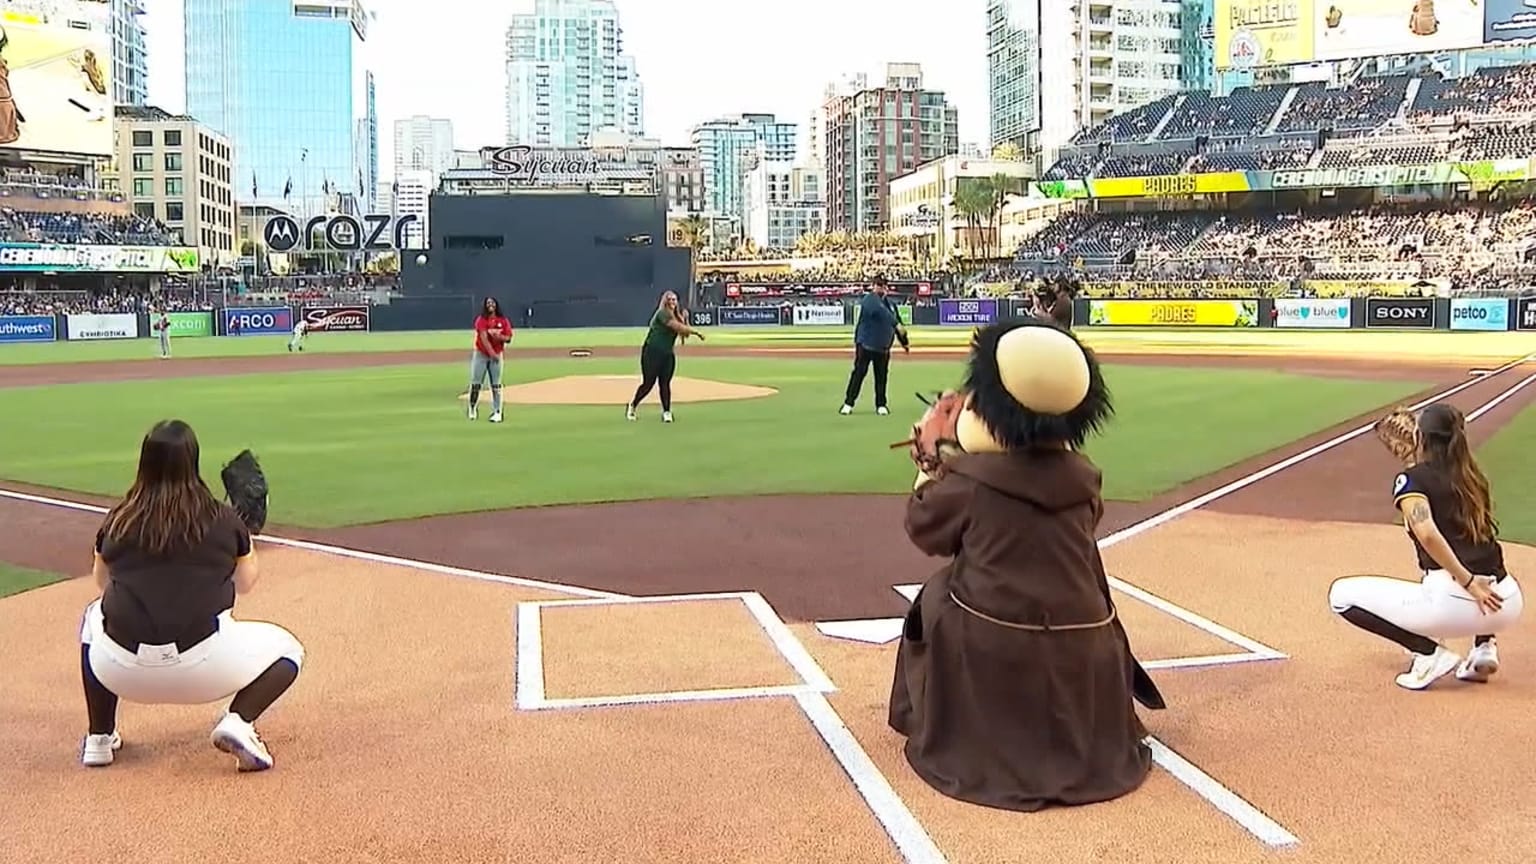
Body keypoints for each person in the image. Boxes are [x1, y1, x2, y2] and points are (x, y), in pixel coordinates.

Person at [888, 318, 1164, 812]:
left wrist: (931, 458)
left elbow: (923, 529)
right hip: (1088, 641)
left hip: (995, 642)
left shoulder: (970, 480)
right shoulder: (1085, 478)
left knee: (934, 596)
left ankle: (941, 722)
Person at [78, 420, 304, 772]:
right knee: (290, 649)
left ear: (144, 462)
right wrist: (246, 535)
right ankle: (238, 722)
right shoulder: (223, 519)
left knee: (93, 618)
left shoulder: (117, 519)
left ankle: (99, 737)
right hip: (205, 670)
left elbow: (101, 581)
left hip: (120, 670)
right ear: (193, 462)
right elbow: (246, 583)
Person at [1328, 403, 1523, 690]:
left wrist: (1468, 583)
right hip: (1505, 602)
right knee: (1477, 550)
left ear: (1423, 437)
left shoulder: (1411, 480)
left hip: (1454, 605)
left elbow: (1428, 533)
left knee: (1341, 595)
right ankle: (1484, 646)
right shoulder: (1473, 477)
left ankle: (1428, 653)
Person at [627, 290, 704, 423]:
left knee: (665, 383)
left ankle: (667, 411)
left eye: (674, 299)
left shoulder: (677, 316)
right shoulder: (662, 314)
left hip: (667, 353)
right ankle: (633, 406)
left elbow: (683, 334)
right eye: (670, 299)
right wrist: (696, 332)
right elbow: (676, 327)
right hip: (652, 351)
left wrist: (686, 320)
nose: (672, 302)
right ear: (665, 301)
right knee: (648, 383)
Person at [840, 274, 909, 416]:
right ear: (873, 286)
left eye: (883, 285)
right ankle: (848, 403)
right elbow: (881, 312)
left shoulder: (890, 305)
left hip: (883, 347)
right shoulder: (869, 300)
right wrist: (896, 324)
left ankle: (881, 405)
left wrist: (904, 342)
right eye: (878, 285)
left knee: (881, 377)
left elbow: (898, 324)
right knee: (858, 374)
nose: (880, 288)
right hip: (866, 344)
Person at [468, 296, 513, 423]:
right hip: (481, 354)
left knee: (496, 385)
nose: (490, 305)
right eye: (488, 303)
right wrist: (491, 353)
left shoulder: (503, 321)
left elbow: (508, 338)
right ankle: (472, 408)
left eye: (492, 303)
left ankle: (497, 411)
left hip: (497, 354)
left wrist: (498, 337)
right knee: (476, 383)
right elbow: (483, 338)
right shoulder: (481, 320)